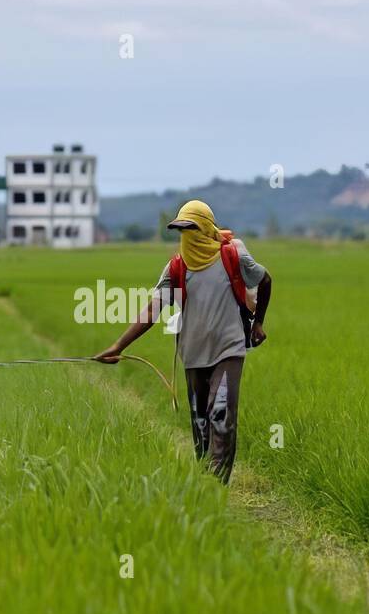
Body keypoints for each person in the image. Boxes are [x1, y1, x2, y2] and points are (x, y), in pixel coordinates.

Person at [95, 200, 272, 483]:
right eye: (180, 230)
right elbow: (153, 309)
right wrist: (119, 346)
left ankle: (216, 487)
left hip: (229, 348)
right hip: (193, 353)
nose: (185, 235)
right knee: (201, 422)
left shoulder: (233, 254)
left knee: (221, 414)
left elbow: (264, 280)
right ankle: (203, 481)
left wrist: (258, 322)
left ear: (204, 228)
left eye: (190, 228)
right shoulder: (176, 267)